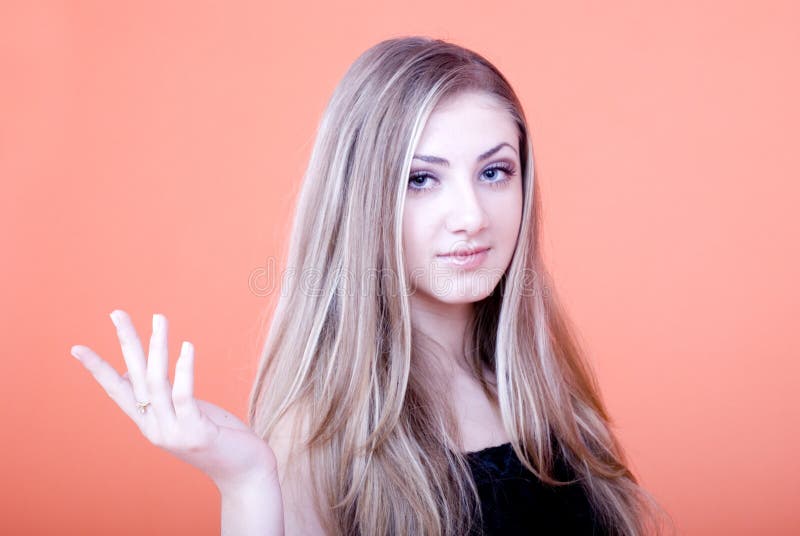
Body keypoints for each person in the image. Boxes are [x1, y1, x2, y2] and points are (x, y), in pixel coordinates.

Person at [70, 36, 669, 535]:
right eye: (420, 179)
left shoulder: (539, 384)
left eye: (494, 172)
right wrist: (247, 483)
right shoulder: (321, 431)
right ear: (362, 201)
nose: (471, 215)